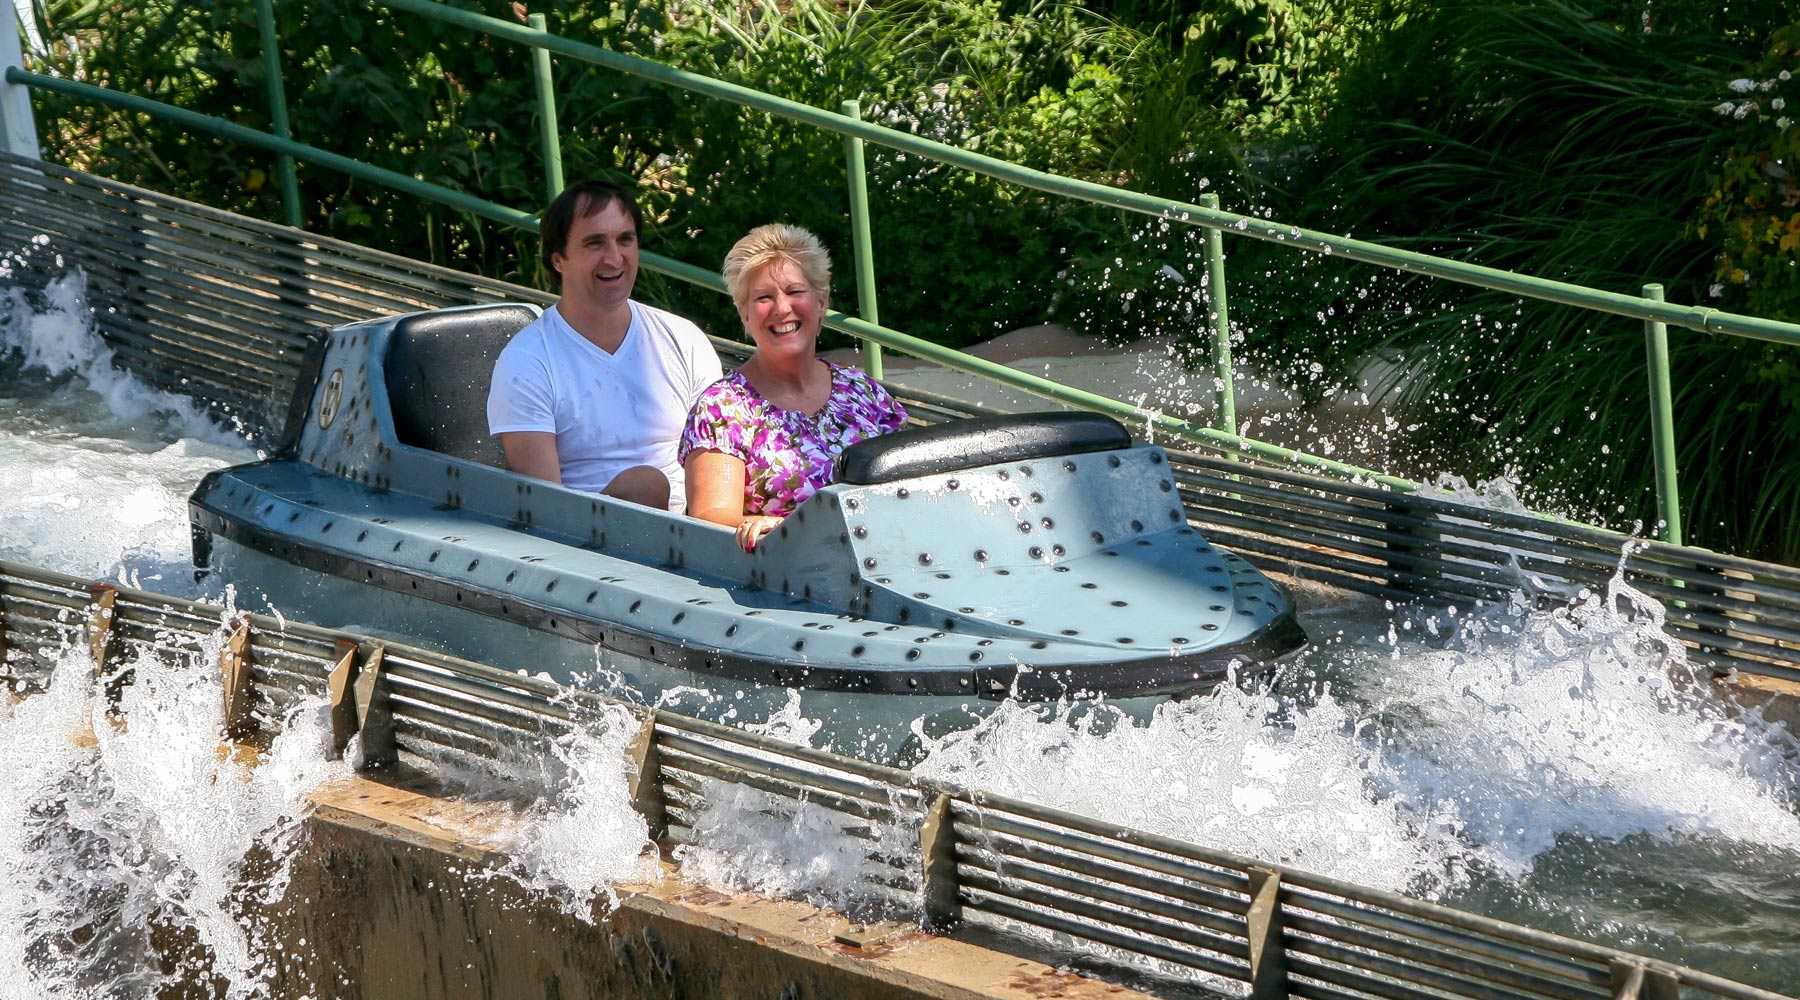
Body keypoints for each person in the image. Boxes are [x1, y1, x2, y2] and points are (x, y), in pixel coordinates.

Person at [487, 180, 722, 511]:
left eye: (625, 239)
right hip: (591, 546)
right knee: (643, 487)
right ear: (558, 260)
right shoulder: (526, 362)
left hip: (698, 530)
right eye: (595, 243)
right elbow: (545, 511)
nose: (614, 259)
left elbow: (722, 466)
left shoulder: (684, 340)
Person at [681, 224, 908, 550]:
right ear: (744, 313)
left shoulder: (865, 394)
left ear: (821, 302)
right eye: (763, 297)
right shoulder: (722, 408)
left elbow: (912, 487)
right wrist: (778, 530)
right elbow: (710, 517)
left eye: (794, 291)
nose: (782, 308)